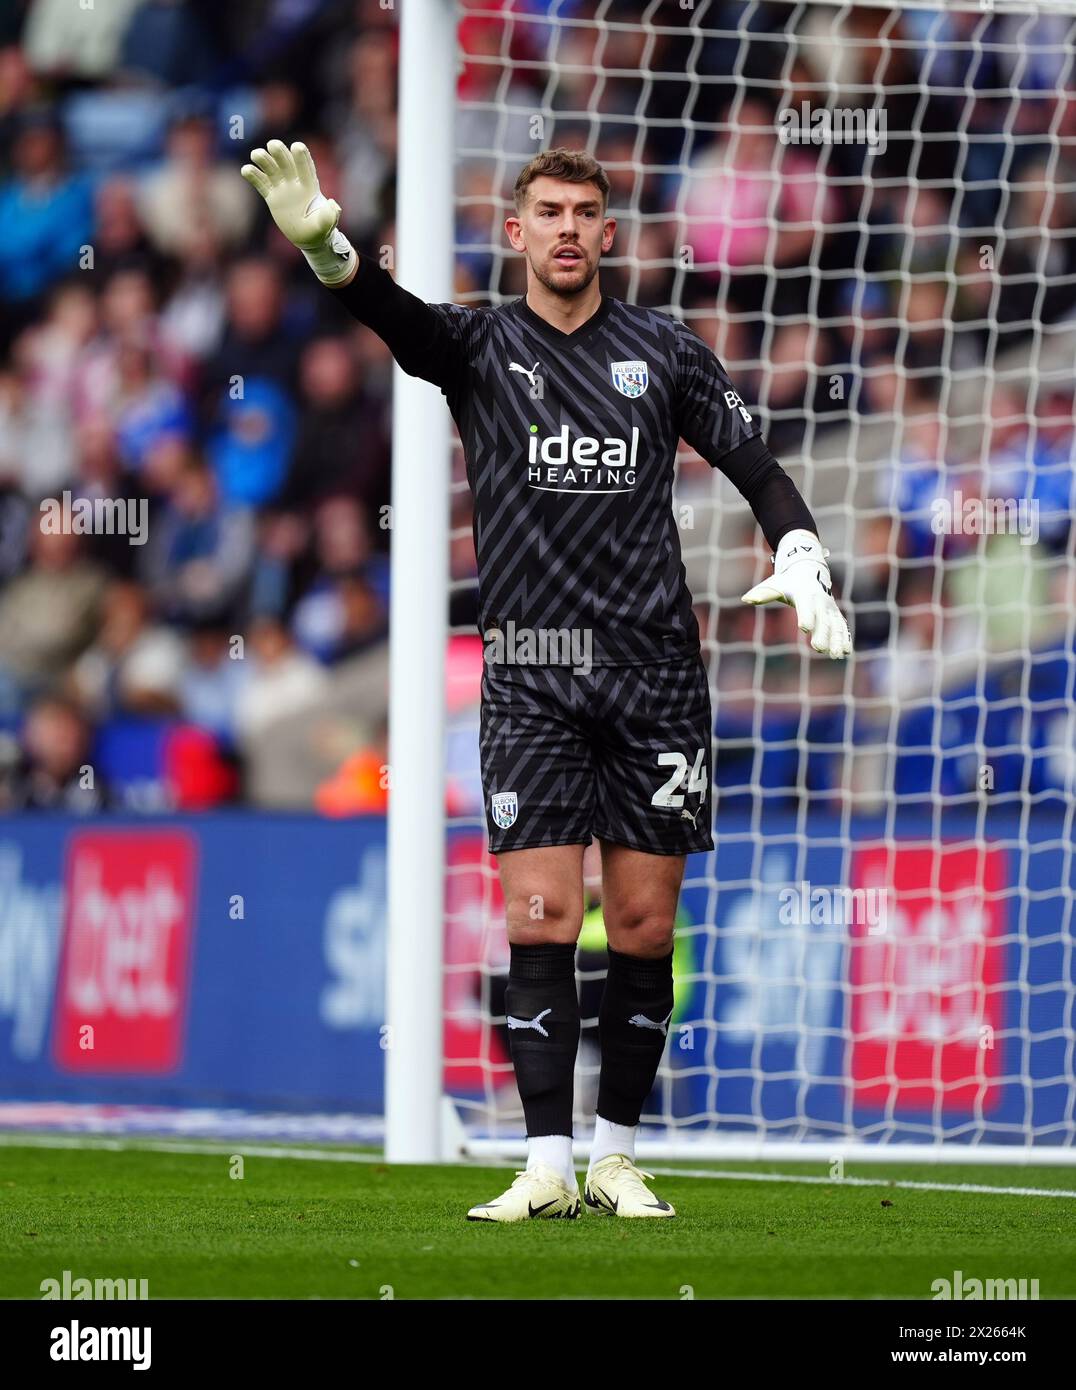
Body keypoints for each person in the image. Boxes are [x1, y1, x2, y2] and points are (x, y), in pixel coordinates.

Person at [241, 139, 852, 1221]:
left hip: (654, 677)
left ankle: (616, 1153)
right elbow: (392, 316)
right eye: (548, 212)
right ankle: (545, 1163)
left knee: (642, 928)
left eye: (585, 212)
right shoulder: (477, 346)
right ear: (515, 232)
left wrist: (797, 548)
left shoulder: (662, 349)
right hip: (528, 679)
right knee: (536, 915)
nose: (568, 228)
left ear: (607, 233)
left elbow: (754, 465)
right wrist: (328, 249)